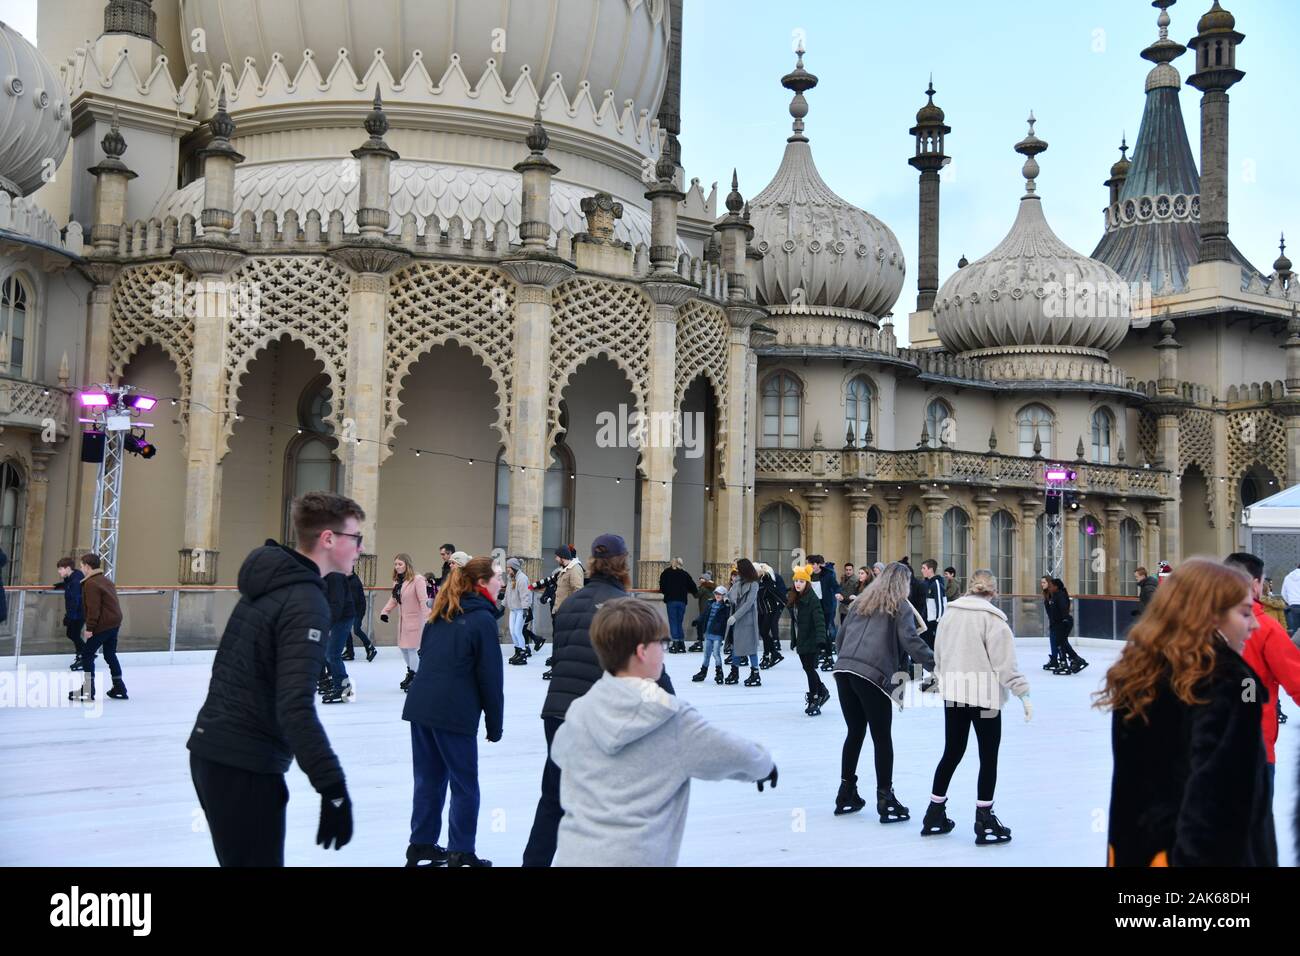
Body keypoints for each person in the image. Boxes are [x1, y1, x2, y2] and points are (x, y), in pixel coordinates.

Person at [187, 491, 363, 866]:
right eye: (356, 538)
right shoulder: (304, 600)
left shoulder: (272, 584)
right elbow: (295, 706)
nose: (360, 549)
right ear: (329, 539)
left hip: (215, 753)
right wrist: (332, 786)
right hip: (243, 765)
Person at [551, 598, 776, 866]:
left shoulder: (581, 709)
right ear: (643, 651)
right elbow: (735, 754)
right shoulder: (672, 718)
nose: (665, 651)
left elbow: (560, 754)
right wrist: (764, 766)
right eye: (662, 643)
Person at [1096, 558, 1276, 866]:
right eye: (1245, 613)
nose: (1255, 623)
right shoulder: (1230, 682)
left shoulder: (1140, 673)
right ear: (1209, 616)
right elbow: (1218, 803)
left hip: (1139, 853)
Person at [521, 533, 675, 867]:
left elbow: (561, 660)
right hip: (602, 721)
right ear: (624, 564)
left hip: (559, 714)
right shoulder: (626, 608)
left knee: (552, 800)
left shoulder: (572, 603)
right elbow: (654, 674)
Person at [402, 554, 504, 868]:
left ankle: (421, 844)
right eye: (498, 576)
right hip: (452, 712)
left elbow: (425, 653)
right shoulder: (482, 620)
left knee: (428, 780)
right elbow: (490, 676)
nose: (502, 581)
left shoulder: (441, 612)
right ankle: (461, 851)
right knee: (464, 784)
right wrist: (494, 724)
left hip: (421, 707)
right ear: (482, 584)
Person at [923, 569, 1031, 846]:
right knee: (988, 756)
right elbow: (1005, 666)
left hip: (955, 694)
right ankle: (984, 820)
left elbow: (938, 654)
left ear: (970, 588)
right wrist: (1024, 694)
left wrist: (942, 679)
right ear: (993, 592)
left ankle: (934, 813)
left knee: (952, 752)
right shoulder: (994, 620)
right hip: (984, 699)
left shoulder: (950, 614)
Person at [833, 563, 935, 821]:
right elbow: (911, 641)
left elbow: (840, 637)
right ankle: (885, 798)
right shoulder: (899, 605)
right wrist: (937, 663)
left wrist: (847, 659)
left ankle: (846, 791)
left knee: (855, 732)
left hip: (844, 671)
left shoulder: (860, 603)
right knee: (881, 737)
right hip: (871, 675)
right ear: (904, 583)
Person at [1224, 553, 1300, 795]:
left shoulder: (1193, 623)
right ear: (1255, 583)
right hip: (1253, 745)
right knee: (1252, 827)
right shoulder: (1264, 627)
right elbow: (1296, 680)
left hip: (1197, 748)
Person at [67, 553, 126, 702]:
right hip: (114, 622)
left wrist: (90, 628)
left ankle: (88, 690)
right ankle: (119, 687)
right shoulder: (105, 580)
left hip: (104, 624)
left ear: (87, 566)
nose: (81, 569)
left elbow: (94, 609)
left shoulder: (91, 583)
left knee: (87, 655)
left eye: (81, 566)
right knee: (110, 654)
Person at [381, 554, 431, 692]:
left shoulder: (417, 579)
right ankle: (411, 673)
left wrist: (428, 618)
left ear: (407, 565)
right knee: (403, 649)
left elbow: (423, 600)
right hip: (403, 621)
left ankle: (416, 677)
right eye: (395, 564)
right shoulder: (397, 581)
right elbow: (394, 599)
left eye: (400, 564)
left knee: (412, 649)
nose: (397, 567)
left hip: (416, 619)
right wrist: (385, 611)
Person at [790, 565, 831, 716]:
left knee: (810, 670)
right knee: (808, 669)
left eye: (801, 581)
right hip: (802, 639)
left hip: (812, 640)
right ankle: (822, 691)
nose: (798, 584)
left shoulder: (812, 598)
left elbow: (819, 619)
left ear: (807, 583)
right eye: (796, 581)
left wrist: (821, 641)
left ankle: (815, 697)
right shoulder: (795, 597)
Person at [725, 558, 762, 686]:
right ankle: (734, 672)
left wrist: (735, 616)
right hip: (736, 619)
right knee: (736, 646)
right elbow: (731, 596)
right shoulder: (738, 582)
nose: (737, 571)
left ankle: (755, 673)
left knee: (750, 647)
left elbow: (749, 603)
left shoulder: (754, 584)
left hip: (748, 620)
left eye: (738, 568)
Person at [321, 570, 356, 703]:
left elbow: (336, 602)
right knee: (329, 654)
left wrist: (329, 624)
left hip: (343, 617)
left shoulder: (334, 575)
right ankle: (340, 684)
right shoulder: (326, 574)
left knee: (332, 654)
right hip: (338, 616)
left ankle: (343, 688)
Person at [1045, 578, 1088, 674]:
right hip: (1058, 623)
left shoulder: (1060, 595)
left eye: (1051, 586)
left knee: (1060, 642)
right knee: (1061, 642)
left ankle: (1065, 663)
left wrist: (1064, 620)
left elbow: (1064, 608)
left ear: (1056, 587)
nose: (1049, 588)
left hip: (1063, 622)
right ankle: (1075, 659)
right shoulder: (1054, 596)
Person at [691, 585, 732, 684]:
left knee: (716, 653)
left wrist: (727, 602)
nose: (718, 596)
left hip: (717, 633)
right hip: (708, 632)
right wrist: (697, 620)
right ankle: (703, 672)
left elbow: (728, 616)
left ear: (724, 596)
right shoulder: (710, 604)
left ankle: (719, 673)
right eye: (716, 594)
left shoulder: (725, 607)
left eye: (720, 594)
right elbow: (704, 615)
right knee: (706, 654)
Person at [658, 557, 698, 654]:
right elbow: (693, 587)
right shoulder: (685, 574)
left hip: (671, 599)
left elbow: (662, 587)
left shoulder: (666, 573)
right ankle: (681, 643)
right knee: (679, 621)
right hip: (682, 600)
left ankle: (675, 642)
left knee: (673, 621)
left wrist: (667, 592)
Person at [809, 555, 840, 670]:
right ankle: (816, 657)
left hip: (826, 607)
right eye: (809, 564)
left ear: (818, 565)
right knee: (815, 632)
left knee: (824, 632)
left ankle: (828, 657)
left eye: (812, 564)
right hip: (813, 607)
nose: (811, 566)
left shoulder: (828, 574)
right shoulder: (809, 575)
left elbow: (836, 586)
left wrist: (838, 593)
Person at [54, 557, 86, 671]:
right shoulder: (72, 578)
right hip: (77, 613)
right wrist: (61, 585)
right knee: (73, 634)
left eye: (60, 569)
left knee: (73, 634)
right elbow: (70, 586)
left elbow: (75, 599)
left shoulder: (75, 581)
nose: (59, 572)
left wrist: (69, 617)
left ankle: (86, 654)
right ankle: (83, 655)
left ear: (68, 568)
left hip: (79, 614)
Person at [342, 569, 377, 663]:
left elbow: (353, 599)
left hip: (357, 609)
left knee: (356, 629)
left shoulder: (353, 581)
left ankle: (370, 647)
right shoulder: (346, 580)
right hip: (351, 609)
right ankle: (349, 652)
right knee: (346, 629)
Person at [504, 557, 533, 666]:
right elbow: (507, 593)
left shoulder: (522, 579)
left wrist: (526, 608)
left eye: (509, 568)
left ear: (514, 568)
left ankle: (523, 653)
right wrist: (503, 605)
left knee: (517, 631)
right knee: (512, 631)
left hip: (521, 609)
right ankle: (517, 651)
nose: (507, 570)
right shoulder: (511, 578)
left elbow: (526, 595)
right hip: (513, 609)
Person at [756, 563, 786, 669]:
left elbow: (777, 593)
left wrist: (784, 604)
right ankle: (773, 654)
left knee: (764, 632)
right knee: (763, 633)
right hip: (761, 610)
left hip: (770, 609)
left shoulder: (768, 579)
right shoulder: (757, 581)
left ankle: (769, 654)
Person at [553, 545, 585, 611]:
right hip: (560, 610)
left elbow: (578, 591)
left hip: (567, 611)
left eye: (557, 556)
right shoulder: (563, 569)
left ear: (562, 557)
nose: (555, 559)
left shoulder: (575, 569)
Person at [690, 572, 714, 653]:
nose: (700, 580)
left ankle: (700, 641)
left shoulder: (703, 588)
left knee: (700, 625)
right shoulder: (712, 587)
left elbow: (696, 595)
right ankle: (712, 641)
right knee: (708, 626)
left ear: (706, 580)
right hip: (711, 610)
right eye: (700, 578)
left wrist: (692, 589)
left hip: (704, 610)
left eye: (702, 578)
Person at [1282, 561, 1300, 635]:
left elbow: (1283, 593)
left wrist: (1290, 602)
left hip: (1293, 606)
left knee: (1296, 632)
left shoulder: (1288, 577)